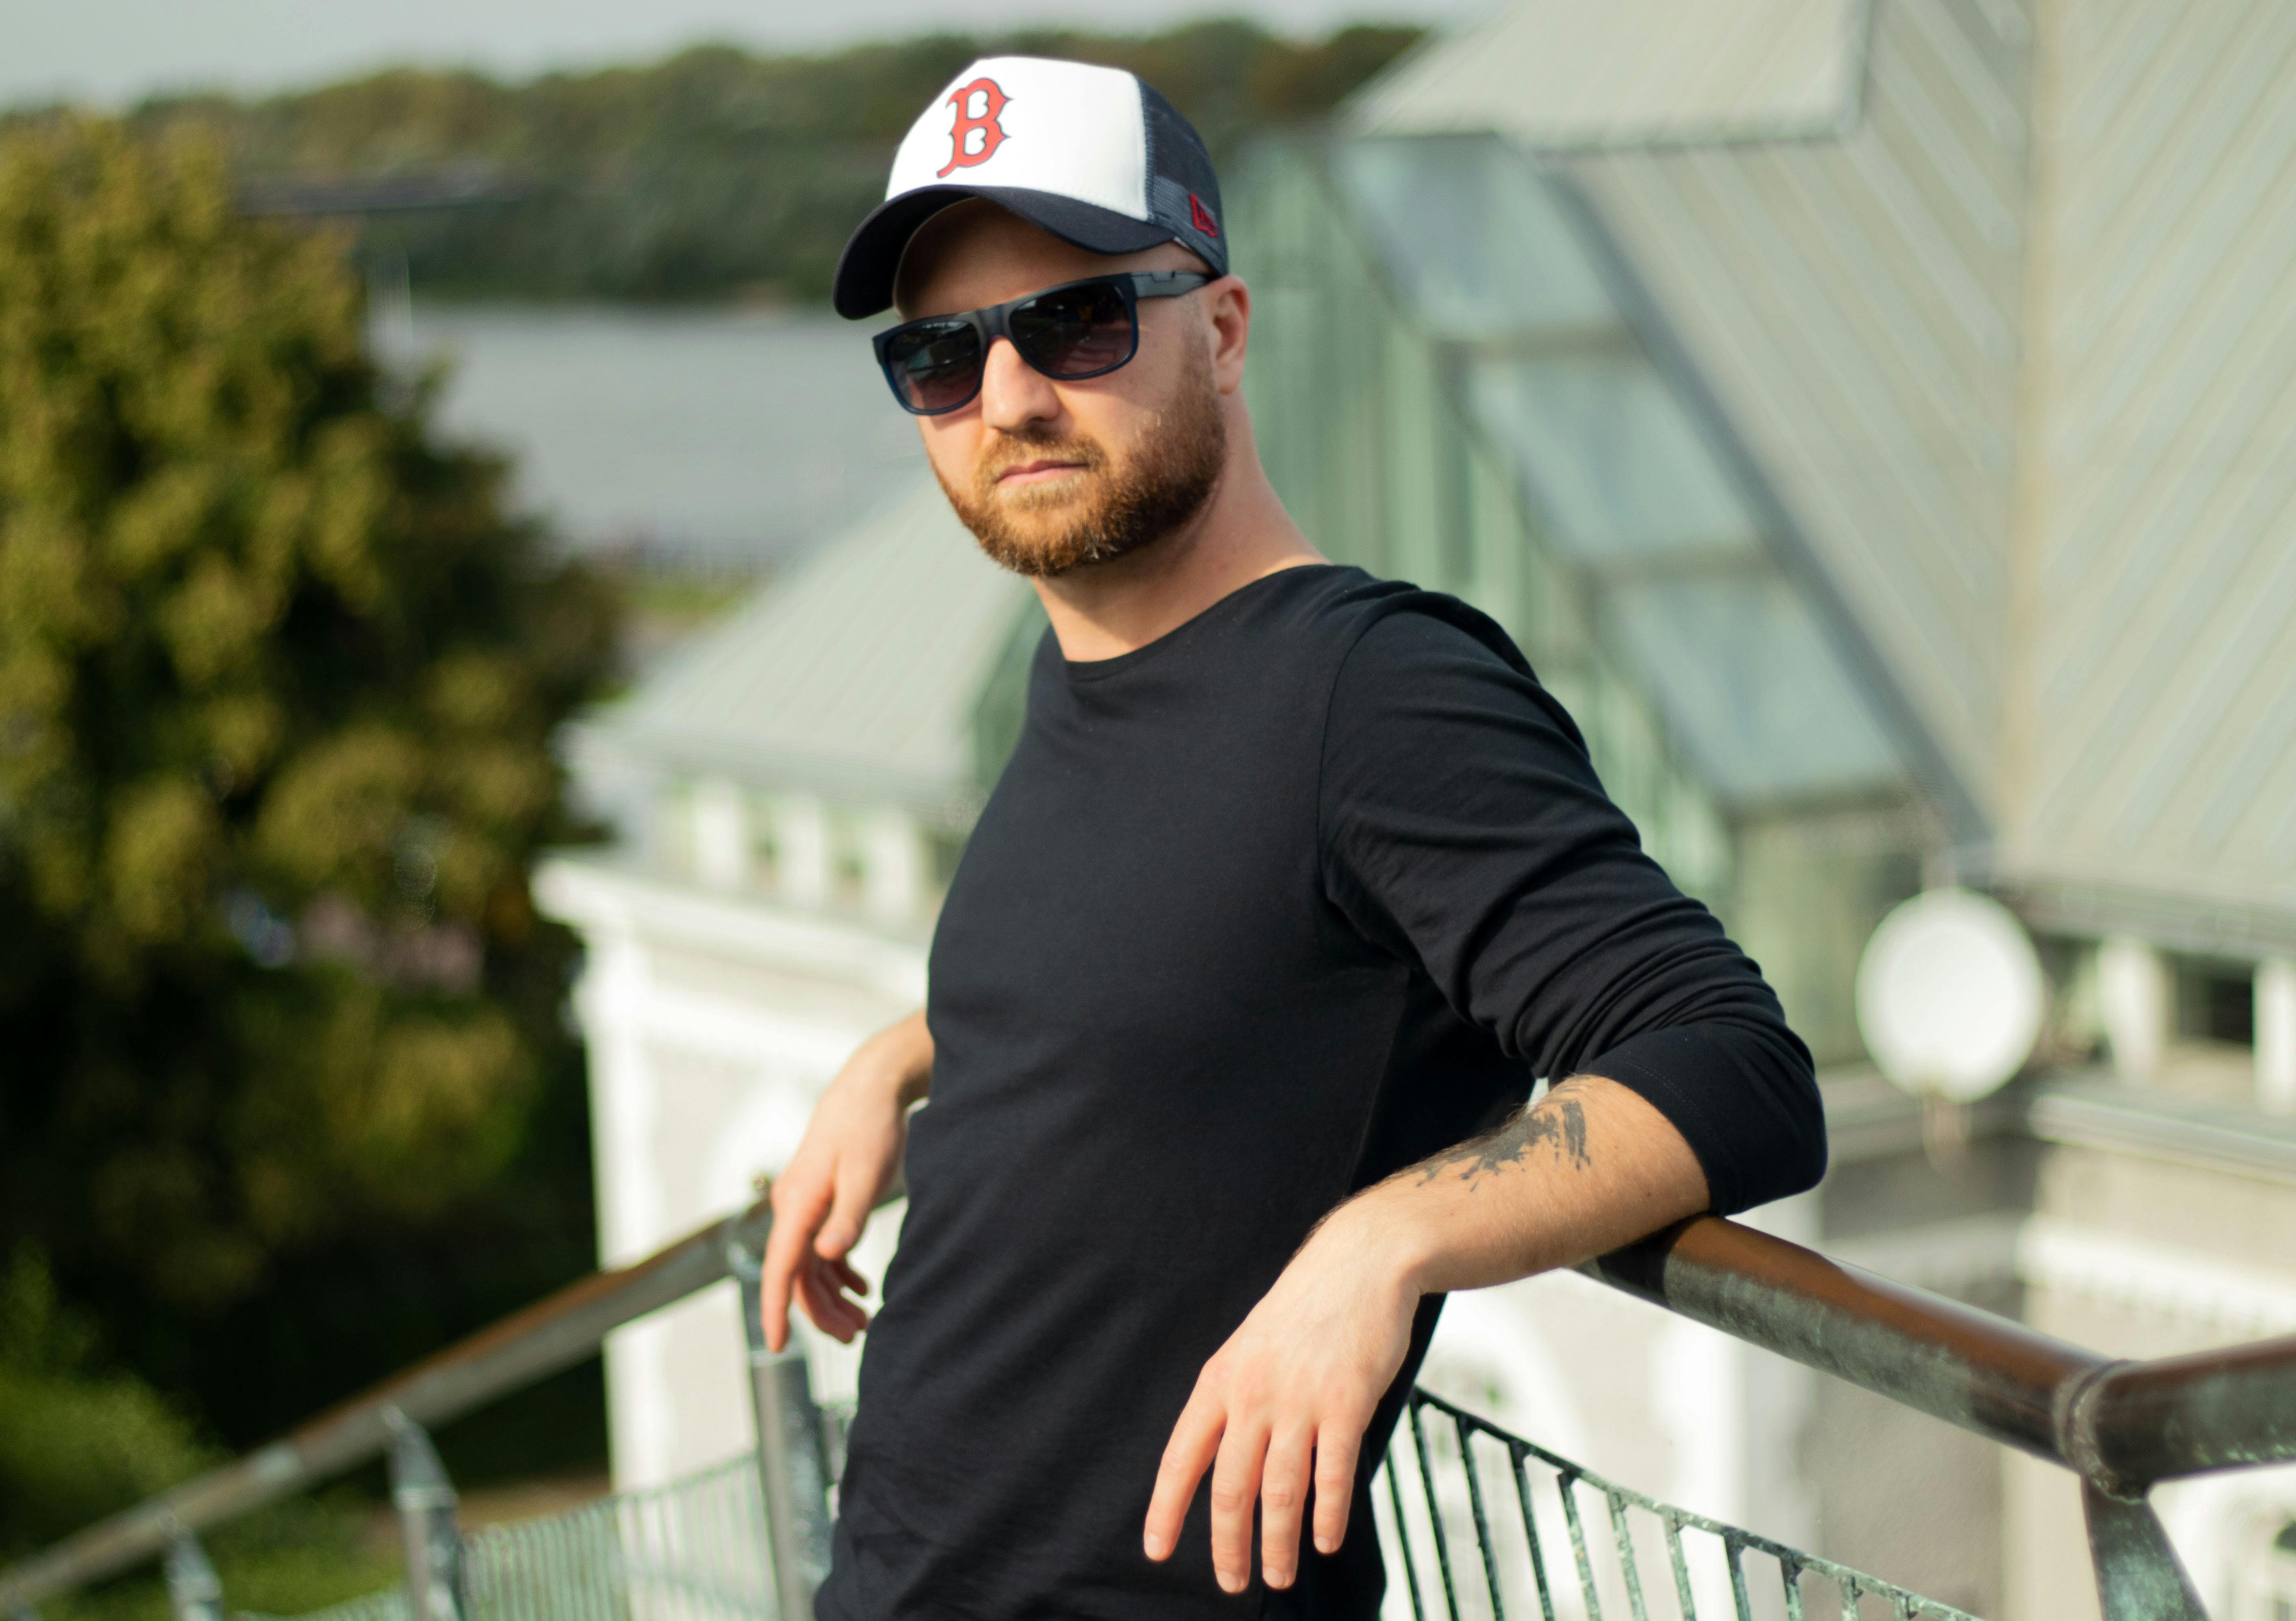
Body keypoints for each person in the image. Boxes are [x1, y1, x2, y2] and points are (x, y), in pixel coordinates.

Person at [760, 54, 1826, 1620]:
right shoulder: (1083, 676)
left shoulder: (1373, 691)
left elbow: (1731, 1061)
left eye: (1076, 318)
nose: (1008, 398)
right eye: (940, 354)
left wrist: (1383, 1245)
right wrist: (911, 1054)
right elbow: (1181, 950)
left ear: (1227, 327)